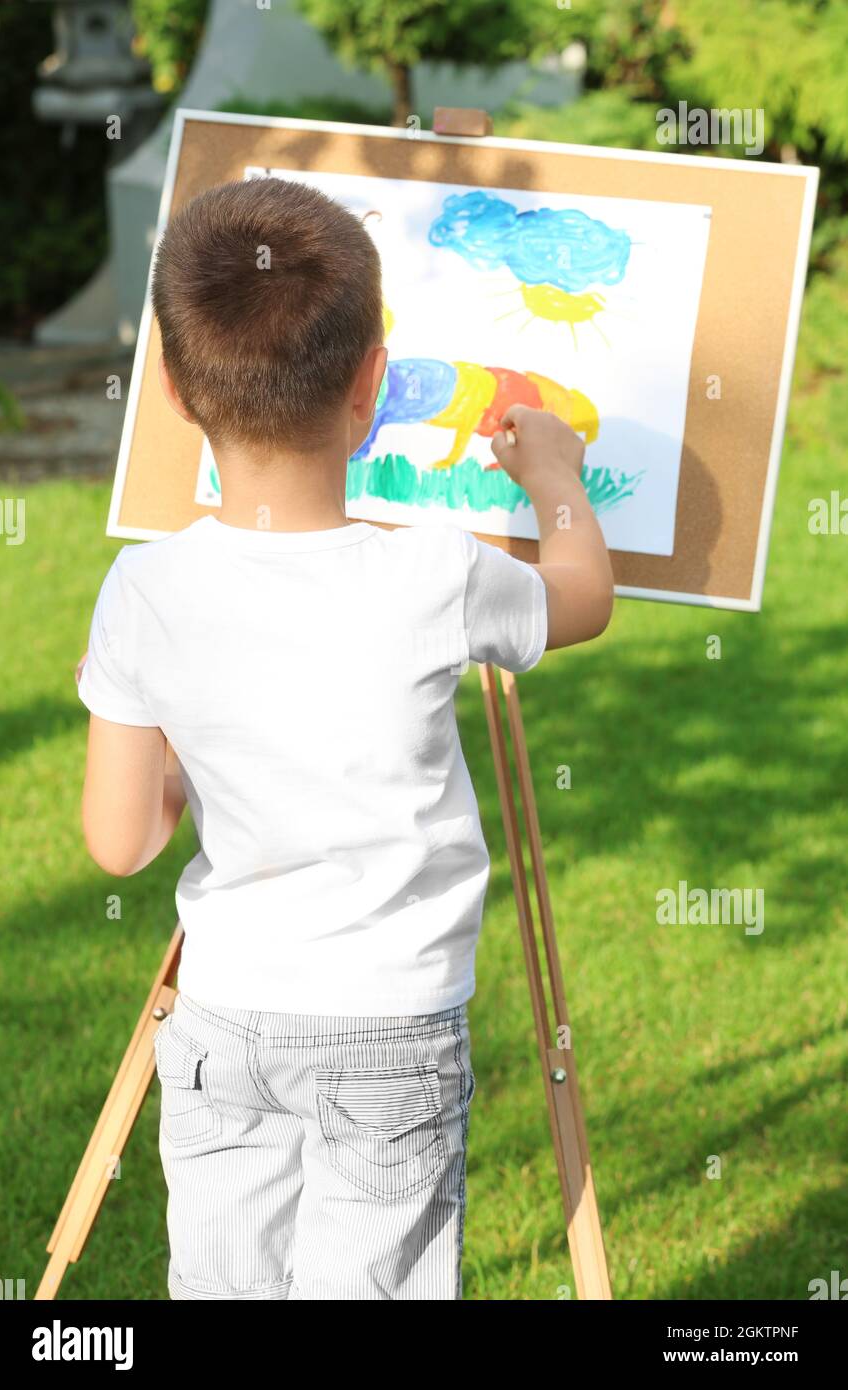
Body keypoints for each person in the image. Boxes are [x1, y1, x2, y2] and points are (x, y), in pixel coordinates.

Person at [76, 176, 614, 1300]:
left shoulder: (144, 587)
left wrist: (196, 747)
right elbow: (579, 596)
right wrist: (555, 481)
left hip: (224, 1022)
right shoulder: (435, 571)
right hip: (388, 1026)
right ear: (376, 381)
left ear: (174, 390)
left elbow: (122, 841)